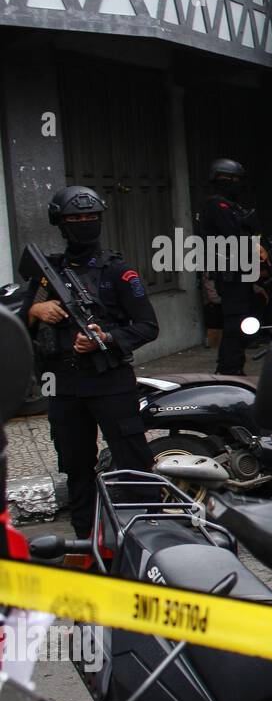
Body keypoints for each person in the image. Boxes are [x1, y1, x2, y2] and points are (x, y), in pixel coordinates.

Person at [21, 186, 159, 539]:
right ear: (60, 223)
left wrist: (107, 339)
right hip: (63, 386)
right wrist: (36, 310)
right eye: (75, 219)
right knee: (76, 465)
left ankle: (149, 533)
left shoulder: (118, 271)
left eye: (90, 218)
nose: (84, 224)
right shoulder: (46, 274)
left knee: (132, 461)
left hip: (110, 381)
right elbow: (18, 319)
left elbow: (147, 326)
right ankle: (86, 539)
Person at [199, 158, 259, 374]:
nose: (237, 184)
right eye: (232, 179)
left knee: (242, 321)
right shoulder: (217, 205)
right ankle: (229, 369)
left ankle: (232, 366)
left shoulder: (230, 205)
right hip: (228, 273)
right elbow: (232, 236)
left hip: (238, 271)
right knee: (235, 324)